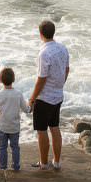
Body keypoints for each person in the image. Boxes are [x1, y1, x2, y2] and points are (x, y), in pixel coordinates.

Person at [28, 20, 69, 171]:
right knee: (55, 127)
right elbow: (67, 69)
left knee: (42, 131)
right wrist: (60, 85)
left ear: (40, 34)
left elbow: (41, 79)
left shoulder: (44, 53)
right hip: (58, 96)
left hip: (44, 98)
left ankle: (44, 163)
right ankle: (57, 162)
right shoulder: (63, 48)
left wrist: (32, 99)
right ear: (53, 32)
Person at [0, 67, 30, 170]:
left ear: (0, 80)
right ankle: (15, 166)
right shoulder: (18, 94)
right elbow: (26, 109)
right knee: (15, 147)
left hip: (2, 126)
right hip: (14, 126)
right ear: (14, 79)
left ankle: (2, 166)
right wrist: (31, 106)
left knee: (2, 147)